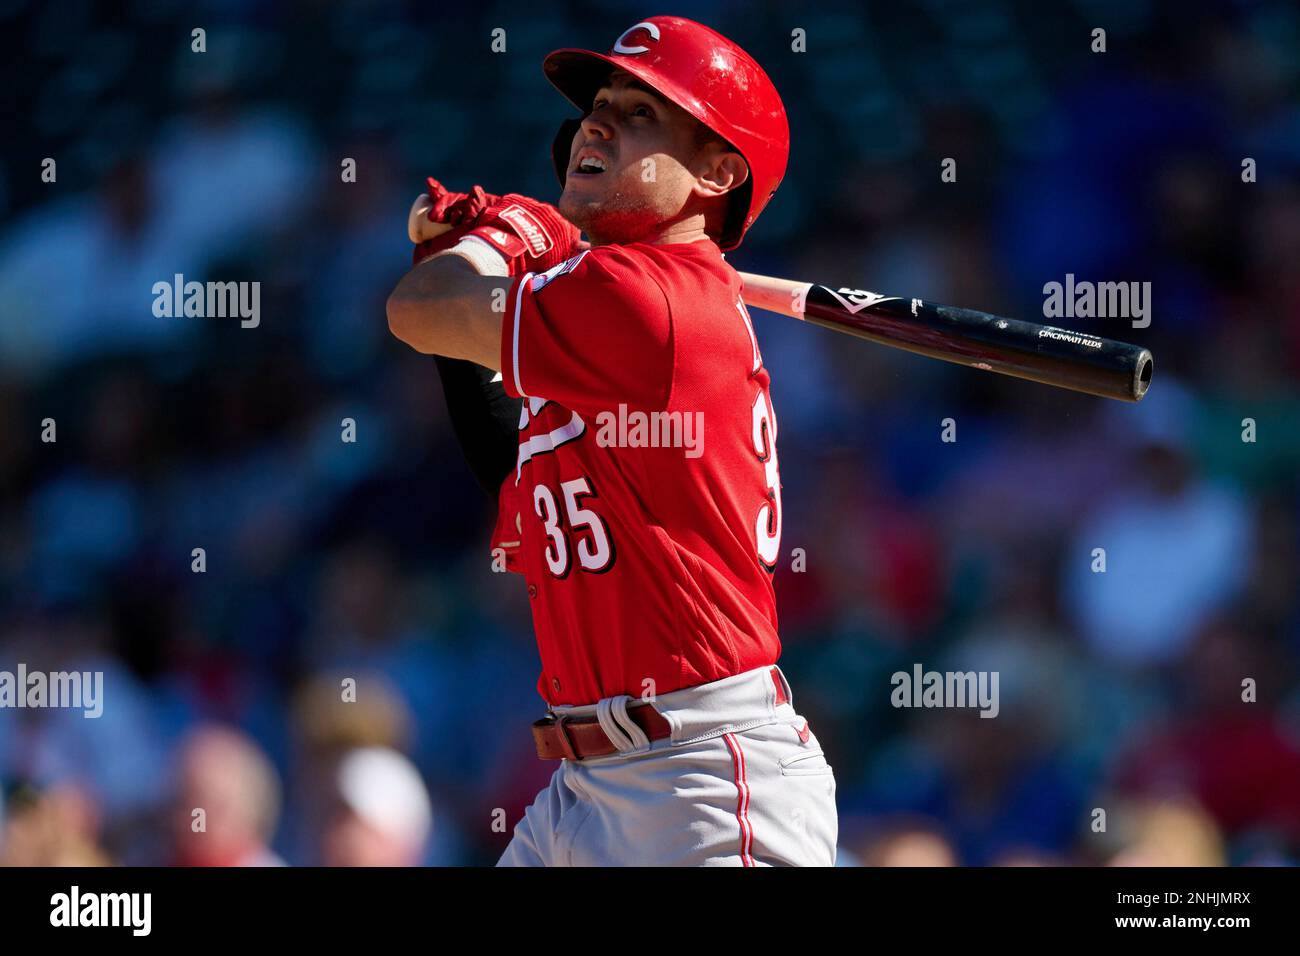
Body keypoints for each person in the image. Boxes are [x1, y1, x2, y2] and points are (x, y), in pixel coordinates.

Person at [388, 16, 836, 866]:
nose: (597, 123)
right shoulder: (614, 308)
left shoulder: (650, 298)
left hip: (700, 779)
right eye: (600, 106)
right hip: (586, 787)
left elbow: (417, 310)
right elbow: (508, 459)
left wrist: (510, 239)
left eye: (641, 113)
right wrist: (498, 258)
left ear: (718, 170)